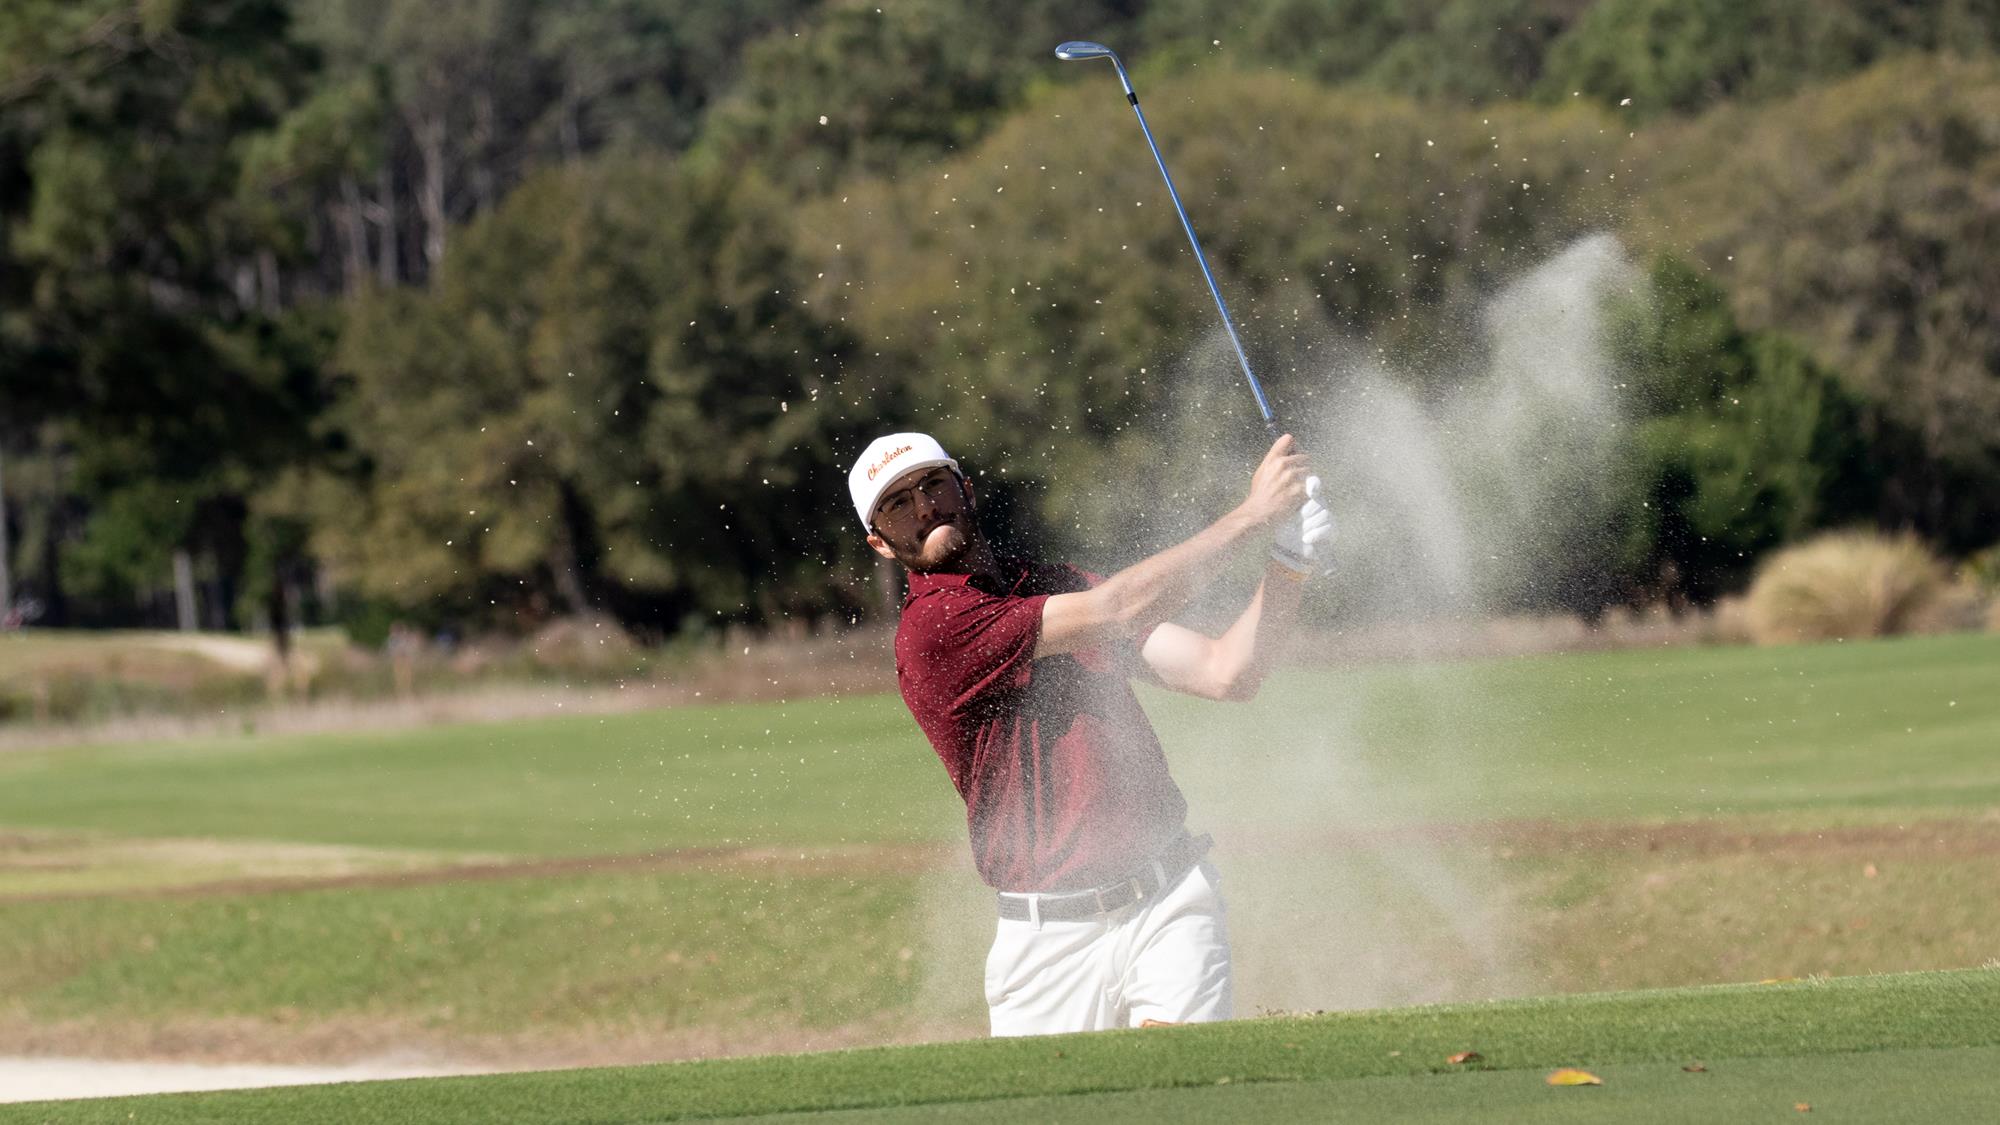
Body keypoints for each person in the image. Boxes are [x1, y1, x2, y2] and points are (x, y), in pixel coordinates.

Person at [847, 431, 1332, 1036]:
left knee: (1186, 1099)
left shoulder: (1058, 582)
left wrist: (1288, 565)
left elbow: (1226, 671)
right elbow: (1115, 610)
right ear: (880, 543)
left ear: (963, 488)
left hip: (1170, 899)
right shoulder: (934, 628)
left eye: (932, 485)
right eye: (896, 504)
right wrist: (1253, 517)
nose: (923, 509)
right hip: (1049, 941)